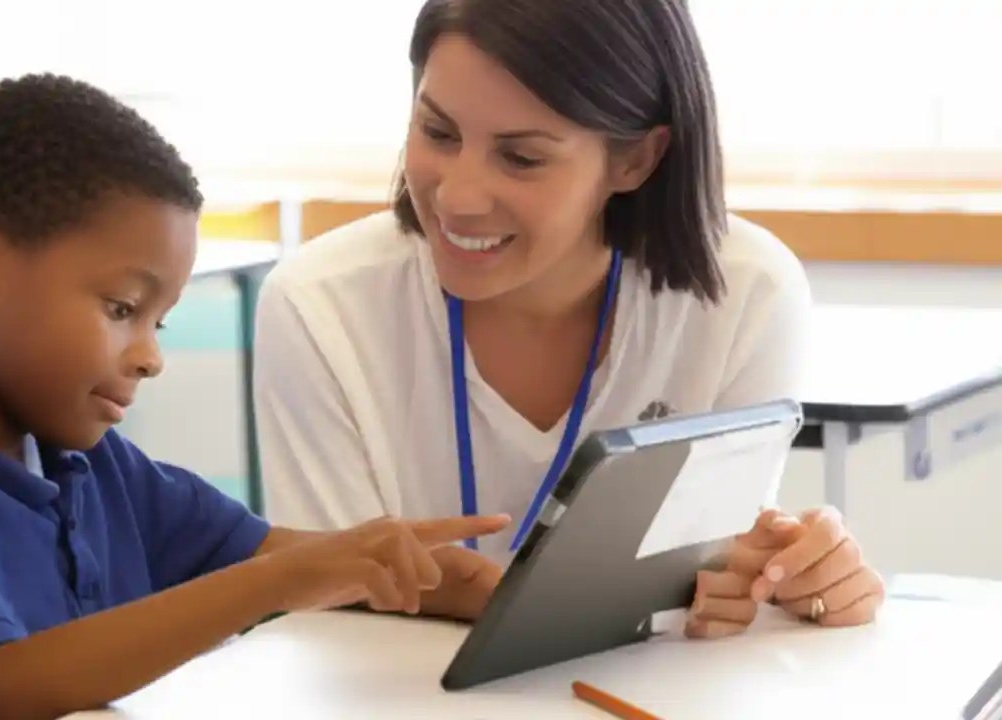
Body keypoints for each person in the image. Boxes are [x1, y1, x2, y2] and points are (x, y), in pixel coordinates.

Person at [0, 73, 511, 720]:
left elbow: (283, 556)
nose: (150, 357)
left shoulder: (94, 466)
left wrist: (444, 581)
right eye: (122, 309)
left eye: (157, 323)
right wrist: (277, 581)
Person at [253, 0, 884, 640]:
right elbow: (331, 610)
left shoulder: (745, 296)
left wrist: (793, 579)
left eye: (521, 158)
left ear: (636, 159)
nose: (457, 197)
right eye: (438, 133)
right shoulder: (319, 307)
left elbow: (716, 587)